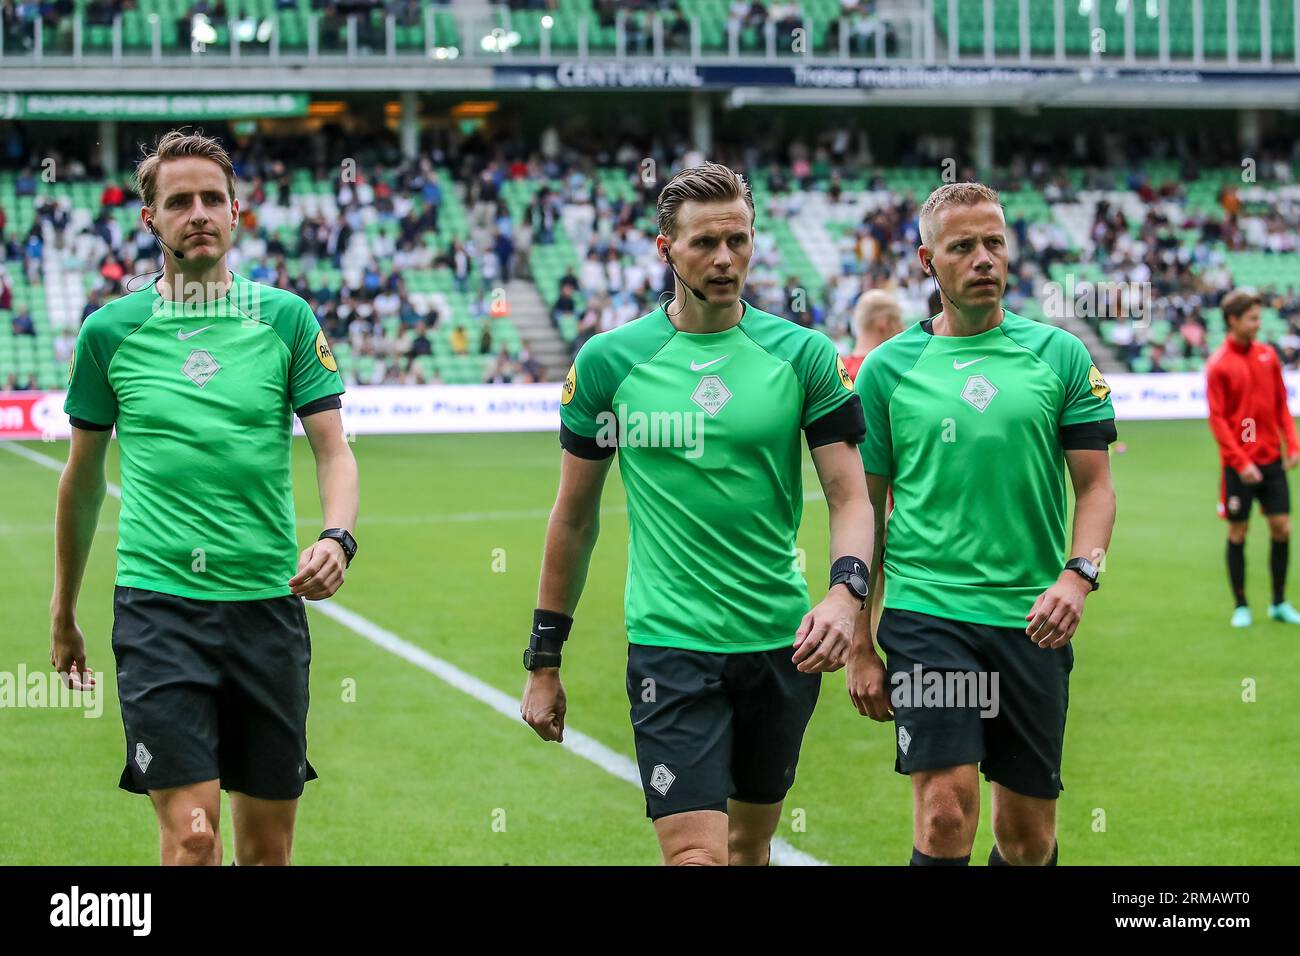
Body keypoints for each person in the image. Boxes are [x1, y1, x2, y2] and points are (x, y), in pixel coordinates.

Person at [520, 163, 872, 866]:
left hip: (781, 641)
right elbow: (574, 519)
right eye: (705, 243)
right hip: (669, 644)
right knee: (695, 856)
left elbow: (850, 496)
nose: (724, 259)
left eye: (738, 241)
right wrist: (544, 658)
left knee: (748, 846)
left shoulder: (801, 356)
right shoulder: (608, 363)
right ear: (665, 249)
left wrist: (845, 593)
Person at [50, 129, 360, 866]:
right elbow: (83, 480)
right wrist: (63, 610)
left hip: (266, 609)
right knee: (193, 843)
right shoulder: (109, 333)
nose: (198, 212)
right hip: (159, 612)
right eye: (178, 200)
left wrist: (336, 536)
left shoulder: (285, 319)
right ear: (149, 218)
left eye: (212, 199)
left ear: (236, 212)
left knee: (266, 853)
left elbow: (334, 450)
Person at [849, 181, 1117, 866]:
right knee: (944, 816)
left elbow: (1095, 488)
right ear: (925, 262)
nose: (983, 258)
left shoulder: (1059, 356)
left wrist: (1077, 576)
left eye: (994, 242)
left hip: (1032, 618)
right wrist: (859, 643)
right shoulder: (886, 371)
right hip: (927, 612)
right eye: (962, 246)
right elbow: (861, 515)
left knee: (1027, 840)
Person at [1206, 289, 1300, 627]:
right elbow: (1217, 419)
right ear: (1233, 320)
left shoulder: (1267, 356)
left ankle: (1278, 602)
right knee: (1238, 532)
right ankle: (1241, 605)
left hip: (1271, 460)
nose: (1258, 324)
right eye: (1253, 318)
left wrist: (1292, 442)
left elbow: (1280, 403)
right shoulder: (1218, 364)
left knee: (1281, 527)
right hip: (1238, 466)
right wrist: (1239, 460)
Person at [843, 288, 903, 382]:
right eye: (897, 320)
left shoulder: (841, 369)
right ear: (883, 322)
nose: (902, 328)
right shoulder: (884, 370)